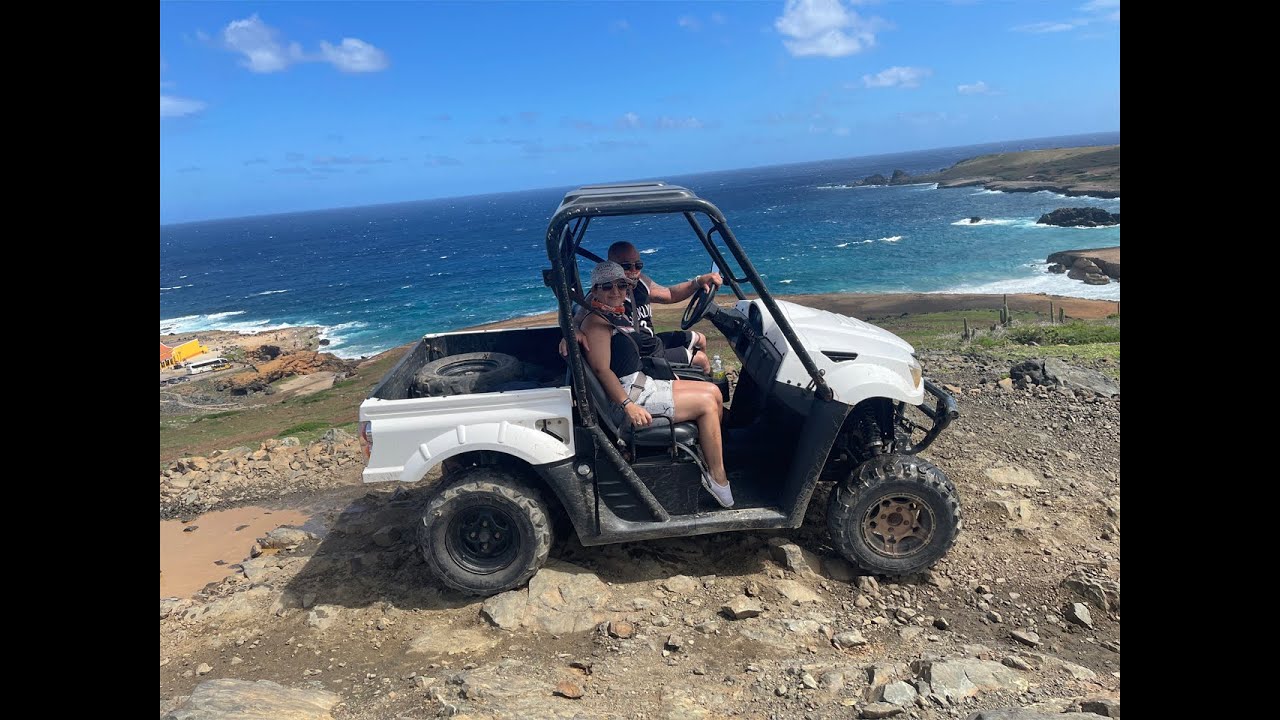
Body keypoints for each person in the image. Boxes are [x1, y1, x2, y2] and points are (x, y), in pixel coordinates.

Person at [579, 261, 734, 507]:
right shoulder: (597, 322)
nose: (616, 291)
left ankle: (712, 458)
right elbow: (602, 369)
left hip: (642, 384)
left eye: (621, 285)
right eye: (607, 286)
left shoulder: (611, 313)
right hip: (630, 397)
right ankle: (718, 477)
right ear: (595, 290)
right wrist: (628, 405)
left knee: (713, 392)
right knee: (706, 403)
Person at [609, 241, 722, 373]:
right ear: (611, 267)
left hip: (653, 342)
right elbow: (588, 314)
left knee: (700, 339)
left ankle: (692, 377)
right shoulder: (608, 296)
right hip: (641, 355)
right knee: (701, 360)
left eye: (638, 265)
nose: (634, 271)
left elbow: (669, 294)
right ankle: (702, 383)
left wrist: (697, 282)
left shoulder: (641, 283)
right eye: (626, 266)